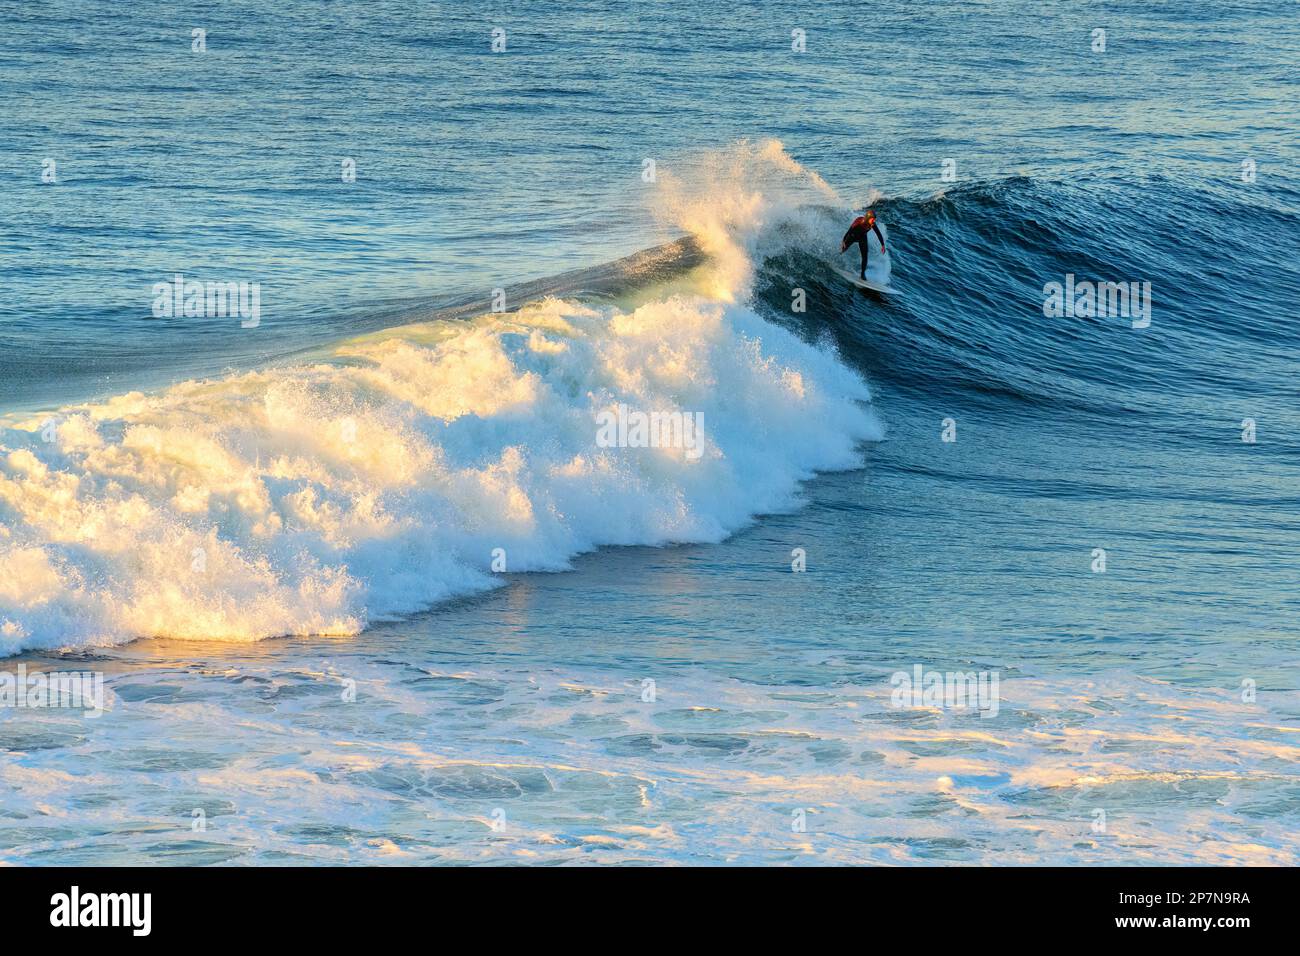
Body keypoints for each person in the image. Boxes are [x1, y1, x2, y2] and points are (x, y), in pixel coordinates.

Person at [840, 208, 886, 279]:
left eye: (874, 219)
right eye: (872, 219)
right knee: (844, 249)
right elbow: (849, 231)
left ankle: (862, 274)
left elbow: (878, 234)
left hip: (862, 238)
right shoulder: (859, 222)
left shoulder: (872, 224)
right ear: (868, 218)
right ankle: (837, 258)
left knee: (865, 256)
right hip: (853, 236)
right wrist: (843, 241)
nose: (874, 221)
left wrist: (882, 245)